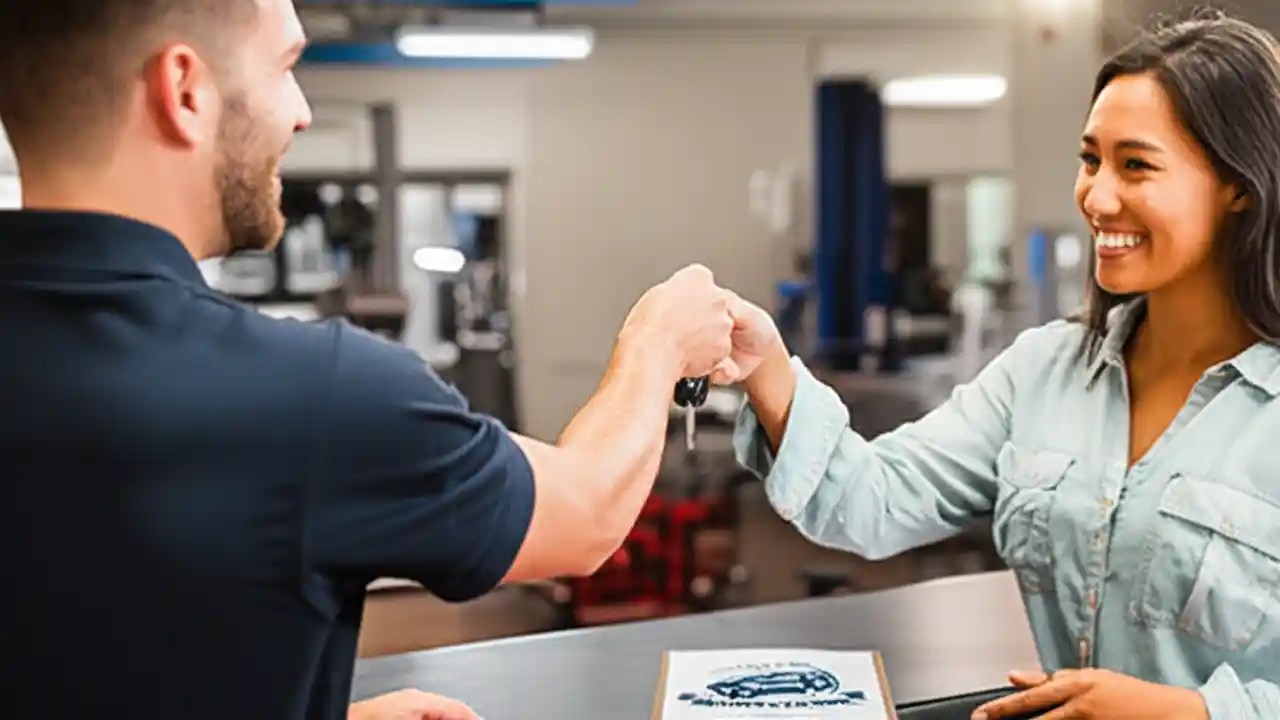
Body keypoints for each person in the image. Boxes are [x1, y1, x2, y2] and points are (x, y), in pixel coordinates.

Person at [0, 1, 740, 718]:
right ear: (186, 90)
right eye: (286, 64)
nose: (301, 111)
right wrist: (660, 340)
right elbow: (584, 516)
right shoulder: (310, 393)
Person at [719, 10, 1280, 720]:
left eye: (1135, 165)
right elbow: (871, 499)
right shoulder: (1044, 370)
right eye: (1090, 160)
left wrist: (1193, 714)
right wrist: (765, 364)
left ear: (1240, 186)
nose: (1097, 197)